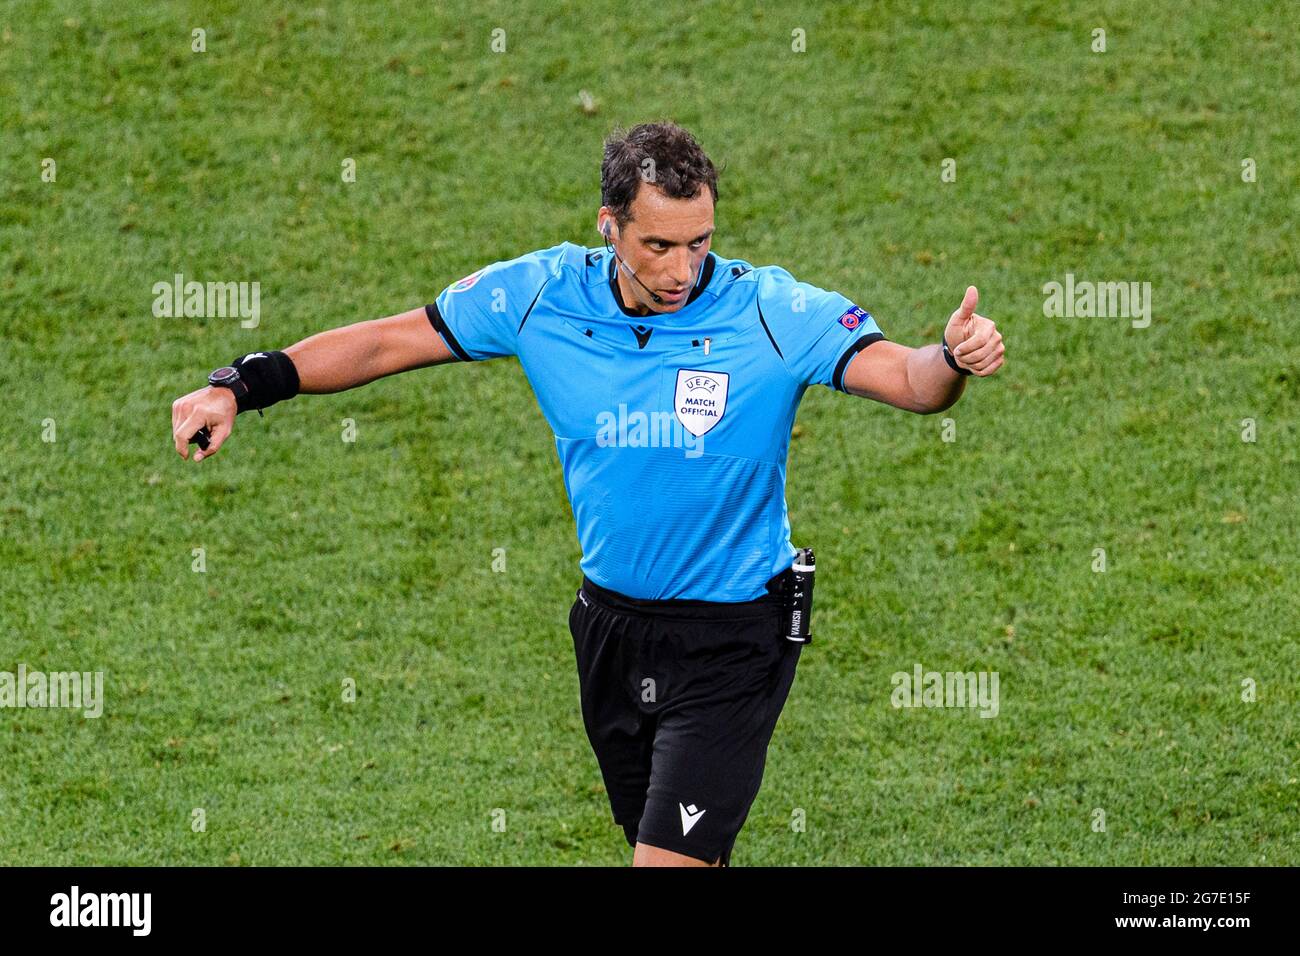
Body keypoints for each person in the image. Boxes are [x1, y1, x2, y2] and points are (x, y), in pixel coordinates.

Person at [170, 121, 1005, 866]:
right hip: (610, 630)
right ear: (609, 227)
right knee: (667, 844)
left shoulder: (771, 310)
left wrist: (949, 355)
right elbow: (392, 342)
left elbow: (908, 380)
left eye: (700, 242)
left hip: (735, 637)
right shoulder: (539, 295)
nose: (683, 269)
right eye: (658, 247)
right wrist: (240, 386)